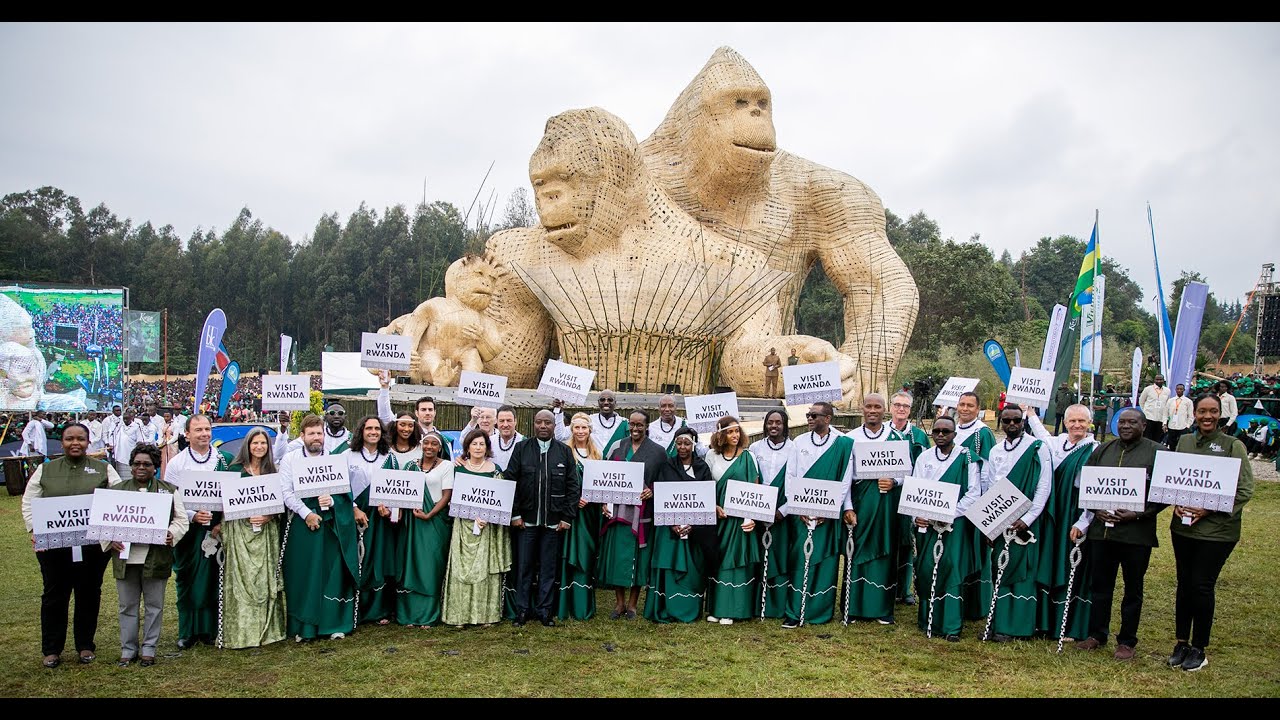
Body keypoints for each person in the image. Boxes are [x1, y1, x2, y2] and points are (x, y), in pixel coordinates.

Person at [1167, 393, 1254, 671]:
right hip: (1184, 529)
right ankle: (1181, 642)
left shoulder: (1233, 446)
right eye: (1202, 411)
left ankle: (1199, 648)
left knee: (1202, 586)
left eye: (1213, 411)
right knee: (1184, 585)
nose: (1207, 416)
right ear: (1194, 414)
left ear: (1220, 414)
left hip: (1217, 532)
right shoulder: (1184, 441)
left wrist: (1209, 509)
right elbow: (1175, 478)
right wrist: (1177, 502)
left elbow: (1244, 490)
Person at [21, 424, 119, 668]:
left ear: (88, 442)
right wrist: (35, 529)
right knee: (55, 594)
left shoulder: (103, 468)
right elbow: (29, 501)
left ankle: (85, 645)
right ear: (62, 442)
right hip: (54, 546)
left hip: (93, 546)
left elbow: (119, 498)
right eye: (69, 438)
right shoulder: (46, 470)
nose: (75, 443)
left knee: (88, 593)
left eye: (81, 439)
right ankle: (52, 649)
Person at [1072, 408, 1164, 661]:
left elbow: (1165, 494)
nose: (1125, 426)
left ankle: (1126, 641)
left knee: (1133, 589)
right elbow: (1084, 484)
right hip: (1103, 534)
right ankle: (1096, 634)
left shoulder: (1157, 452)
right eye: (1121, 422)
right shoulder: (1103, 450)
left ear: (1143, 425)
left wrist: (1138, 514)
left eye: (1132, 422)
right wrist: (1096, 508)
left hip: (1136, 534)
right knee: (1100, 586)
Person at [279, 414, 367, 641]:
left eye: (319, 433)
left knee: (331, 572)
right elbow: (286, 493)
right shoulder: (291, 459)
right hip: (303, 523)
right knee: (305, 573)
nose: (316, 438)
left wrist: (343, 504)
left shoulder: (335, 458)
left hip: (332, 525)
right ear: (302, 436)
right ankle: (304, 627)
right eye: (311, 434)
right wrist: (307, 513)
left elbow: (345, 491)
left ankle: (332, 623)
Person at [105, 444, 189, 666]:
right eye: (136, 464)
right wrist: (109, 539)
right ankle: (128, 649)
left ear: (155, 468)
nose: (141, 468)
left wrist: (172, 534)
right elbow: (103, 522)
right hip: (126, 558)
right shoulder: (117, 490)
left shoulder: (168, 490)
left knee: (154, 606)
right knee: (127, 605)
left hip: (156, 557)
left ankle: (149, 648)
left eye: (147, 464)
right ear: (131, 466)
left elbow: (181, 520)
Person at [1024, 403, 1097, 641]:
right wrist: (1031, 414)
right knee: (1048, 558)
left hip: (1073, 513)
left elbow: (1094, 491)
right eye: (1072, 421)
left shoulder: (1094, 450)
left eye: (1082, 421)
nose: (1077, 425)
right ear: (1065, 422)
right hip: (1052, 511)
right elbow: (1042, 435)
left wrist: (1084, 521)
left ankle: (1066, 625)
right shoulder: (1057, 443)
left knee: (1069, 564)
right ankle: (1043, 621)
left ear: (1089, 423)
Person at [981, 406, 1052, 641]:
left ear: (1024, 422)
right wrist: (990, 524)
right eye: (1007, 420)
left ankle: (1019, 627)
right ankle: (998, 623)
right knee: (1000, 567)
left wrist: (1028, 519)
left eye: (1017, 420)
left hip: (1025, 521)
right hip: (1000, 518)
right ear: (1001, 423)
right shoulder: (996, 450)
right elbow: (991, 485)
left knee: (1022, 571)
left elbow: (1043, 486)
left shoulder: (1038, 448)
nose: (1012, 424)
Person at [502, 410, 579, 626]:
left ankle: (545, 610)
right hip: (525, 521)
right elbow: (511, 481)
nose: (543, 426)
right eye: (539, 422)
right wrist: (515, 514)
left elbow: (573, 486)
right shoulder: (522, 448)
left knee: (548, 567)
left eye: (547, 422)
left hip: (554, 523)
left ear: (555, 426)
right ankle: (522, 610)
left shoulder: (564, 451)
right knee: (524, 567)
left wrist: (566, 517)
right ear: (533, 425)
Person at [780, 401, 854, 628]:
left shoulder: (843, 444)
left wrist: (830, 509)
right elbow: (790, 476)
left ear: (828, 418)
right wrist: (798, 507)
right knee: (800, 559)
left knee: (825, 561)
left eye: (814, 415)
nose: (810, 418)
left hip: (827, 514)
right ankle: (794, 611)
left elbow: (845, 480)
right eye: (808, 415)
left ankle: (820, 612)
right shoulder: (799, 442)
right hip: (801, 513)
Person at [164, 414, 233, 649]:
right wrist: (193, 515)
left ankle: (210, 629)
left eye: (207, 429)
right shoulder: (177, 464)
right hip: (188, 532)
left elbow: (234, 494)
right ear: (187, 434)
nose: (204, 433)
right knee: (187, 578)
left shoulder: (224, 459)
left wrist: (220, 521)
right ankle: (187, 631)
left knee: (214, 578)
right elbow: (170, 499)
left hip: (215, 529)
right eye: (199, 430)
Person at [910, 417, 981, 641]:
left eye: (946, 431)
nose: (941, 435)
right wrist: (916, 516)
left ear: (954, 434)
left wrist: (948, 514)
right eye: (937, 431)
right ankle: (927, 620)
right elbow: (915, 491)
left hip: (954, 524)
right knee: (927, 568)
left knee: (951, 569)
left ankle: (951, 625)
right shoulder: (924, 457)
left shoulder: (966, 457)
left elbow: (973, 493)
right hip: (928, 526)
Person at [843, 393, 905, 625]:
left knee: (885, 550)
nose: (872, 410)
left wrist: (894, 481)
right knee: (856, 550)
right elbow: (845, 478)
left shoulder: (896, 438)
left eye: (877, 407)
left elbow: (907, 473)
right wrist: (847, 506)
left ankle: (881, 608)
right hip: (861, 499)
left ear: (884, 410)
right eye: (868, 406)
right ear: (862, 408)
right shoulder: (850, 438)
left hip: (886, 503)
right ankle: (854, 607)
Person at [223, 427, 286, 649]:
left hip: (267, 533)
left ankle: (268, 630)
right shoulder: (236, 471)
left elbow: (281, 505)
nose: (259, 447)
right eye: (255, 443)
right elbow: (226, 506)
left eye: (263, 444)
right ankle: (244, 632)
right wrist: (246, 514)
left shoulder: (273, 473)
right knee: (245, 579)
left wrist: (269, 515)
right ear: (247, 446)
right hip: (241, 531)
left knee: (264, 579)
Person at [597, 410, 664, 620]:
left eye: (640, 425)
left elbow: (666, 479)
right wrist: (603, 503)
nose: (635, 429)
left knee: (639, 559)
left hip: (642, 514)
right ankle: (619, 603)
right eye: (632, 425)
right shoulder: (617, 446)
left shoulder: (658, 452)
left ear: (646, 427)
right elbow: (603, 475)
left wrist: (653, 490)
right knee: (618, 558)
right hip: (618, 513)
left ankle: (633, 605)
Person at [646, 427, 717, 623]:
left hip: (694, 530)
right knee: (668, 568)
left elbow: (706, 499)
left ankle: (687, 609)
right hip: (669, 528)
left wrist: (692, 525)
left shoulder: (702, 468)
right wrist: (672, 524)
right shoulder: (666, 466)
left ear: (693, 444)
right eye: (679, 443)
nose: (683, 447)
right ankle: (665, 608)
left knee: (692, 570)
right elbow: (661, 496)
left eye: (687, 443)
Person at [442, 429, 513, 627]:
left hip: (487, 526)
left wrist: (486, 518)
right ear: (467, 447)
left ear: (487, 447)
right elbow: (452, 498)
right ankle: (459, 616)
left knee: (484, 569)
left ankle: (485, 615)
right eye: (474, 444)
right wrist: (471, 515)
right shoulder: (458, 469)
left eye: (482, 444)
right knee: (460, 568)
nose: (478, 447)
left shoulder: (496, 470)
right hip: (463, 525)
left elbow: (500, 501)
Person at [704, 416, 761, 625]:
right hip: (719, 518)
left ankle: (733, 609)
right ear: (721, 435)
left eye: (737, 431)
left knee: (734, 563)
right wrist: (713, 506)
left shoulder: (749, 457)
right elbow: (706, 485)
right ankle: (716, 608)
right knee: (718, 561)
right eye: (730, 432)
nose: (735, 435)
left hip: (740, 520)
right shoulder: (711, 455)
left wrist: (751, 517)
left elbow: (755, 488)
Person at [346, 415, 401, 625]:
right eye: (369, 428)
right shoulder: (347, 455)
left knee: (377, 559)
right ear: (361, 431)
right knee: (358, 558)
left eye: (377, 429)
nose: (373, 432)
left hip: (379, 519)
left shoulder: (389, 457)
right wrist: (354, 509)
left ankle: (378, 610)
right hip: (356, 515)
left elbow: (395, 488)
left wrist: (386, 504)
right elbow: (340, 487)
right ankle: (356, 609)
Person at [397, 432, 453, 628]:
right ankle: (409, 614)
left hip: (434, 521)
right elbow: (401, 490)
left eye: (434, 444)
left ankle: (429, 614)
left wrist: (430, 514)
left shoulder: (446, 466)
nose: (429, 447)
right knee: (412, 563)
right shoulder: (411, 465)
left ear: (440, 448)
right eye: (426, 443)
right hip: (413, 522)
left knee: (430, 565)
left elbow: (447, 495)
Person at [953, 390, 997, 619]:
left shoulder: (982, 433)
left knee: (975, 548)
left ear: (978, 409)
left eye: (970, 405)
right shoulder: (951, 430)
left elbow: (988, 468)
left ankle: (976, 604)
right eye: (962, 404)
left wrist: (982, 500)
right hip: (952, 499)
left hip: (974, 498)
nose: (965, 408)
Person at [749, 409, 791, 618]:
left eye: (778, 423)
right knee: (758, 557)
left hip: (783, 513)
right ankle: (756, 604)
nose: (773, 426)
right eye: (770, 423)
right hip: (758, 511)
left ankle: (776, 605)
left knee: (779, 557)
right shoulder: (754, 448)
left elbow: (797, 483)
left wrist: (783, 511)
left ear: (785, 425)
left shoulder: (794, 449)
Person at [889, 391, 930, 605]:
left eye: (905, 405)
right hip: (885, 493)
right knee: (887, 537)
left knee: (907, 540)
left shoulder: (919, 437)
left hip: (909, 493)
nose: (901, 409)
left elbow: (924, 468)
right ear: (891, 407)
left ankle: (904, 589)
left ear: (910, 409)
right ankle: (887, 584)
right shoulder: (882, 433)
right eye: (897, 405)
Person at [558, 412, 600, 621]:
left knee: (586, 556)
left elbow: (604, 485)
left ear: (590, 430)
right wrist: (573, 500)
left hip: (590, 515)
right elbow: (559, 482)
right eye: (577, 428)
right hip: (571, 513)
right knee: (568, 558)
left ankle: (584, 605)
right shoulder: (564, 452)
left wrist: (593, 499)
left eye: (584, 428)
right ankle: (567, 604)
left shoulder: (597, 454)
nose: (581, 432)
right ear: (572, 429)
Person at [554, 389, 629, 459]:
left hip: (615, 467)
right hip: (592, 464)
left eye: (610, 400)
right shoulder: (588, 420)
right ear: (598, 402)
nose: (606, 402)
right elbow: (560, 436)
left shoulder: (624, 423)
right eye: (602, 400)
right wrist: (559, 412)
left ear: (615, 403)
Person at [1138, 375, 1171, 443]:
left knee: (1157, 439)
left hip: (1160, 419)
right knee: (1147, 438)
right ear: (1154, 380)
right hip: (1149, 418)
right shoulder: (1148, 389)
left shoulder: (1167, 391)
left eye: (1160, 379)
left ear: (1163, 380)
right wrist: (1145, 411)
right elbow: (1141, 401)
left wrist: (1165, 420)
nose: (1159, 381)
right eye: (1157, 379)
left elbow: (1167, 405)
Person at [491, 405, 524, 471]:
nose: (505, 425)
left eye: (509, 420)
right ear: (497, 422)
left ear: (515, 421)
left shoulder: (524, 443)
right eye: (502, 421)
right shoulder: (489, 441)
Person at [1163, 383, 1193, 451]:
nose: (1179, 390)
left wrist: (1187, 426)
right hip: (1172, 426)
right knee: (1171, 444)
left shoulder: (1188, 401)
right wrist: (1164, 423)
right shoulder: (1170, 401)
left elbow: (1190, 415)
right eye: (1178, 389)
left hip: (1182, 426)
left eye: (1181, 389)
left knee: (1181, 444)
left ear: (1184, 390)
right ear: (1175, 390)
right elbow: (1165, 413)